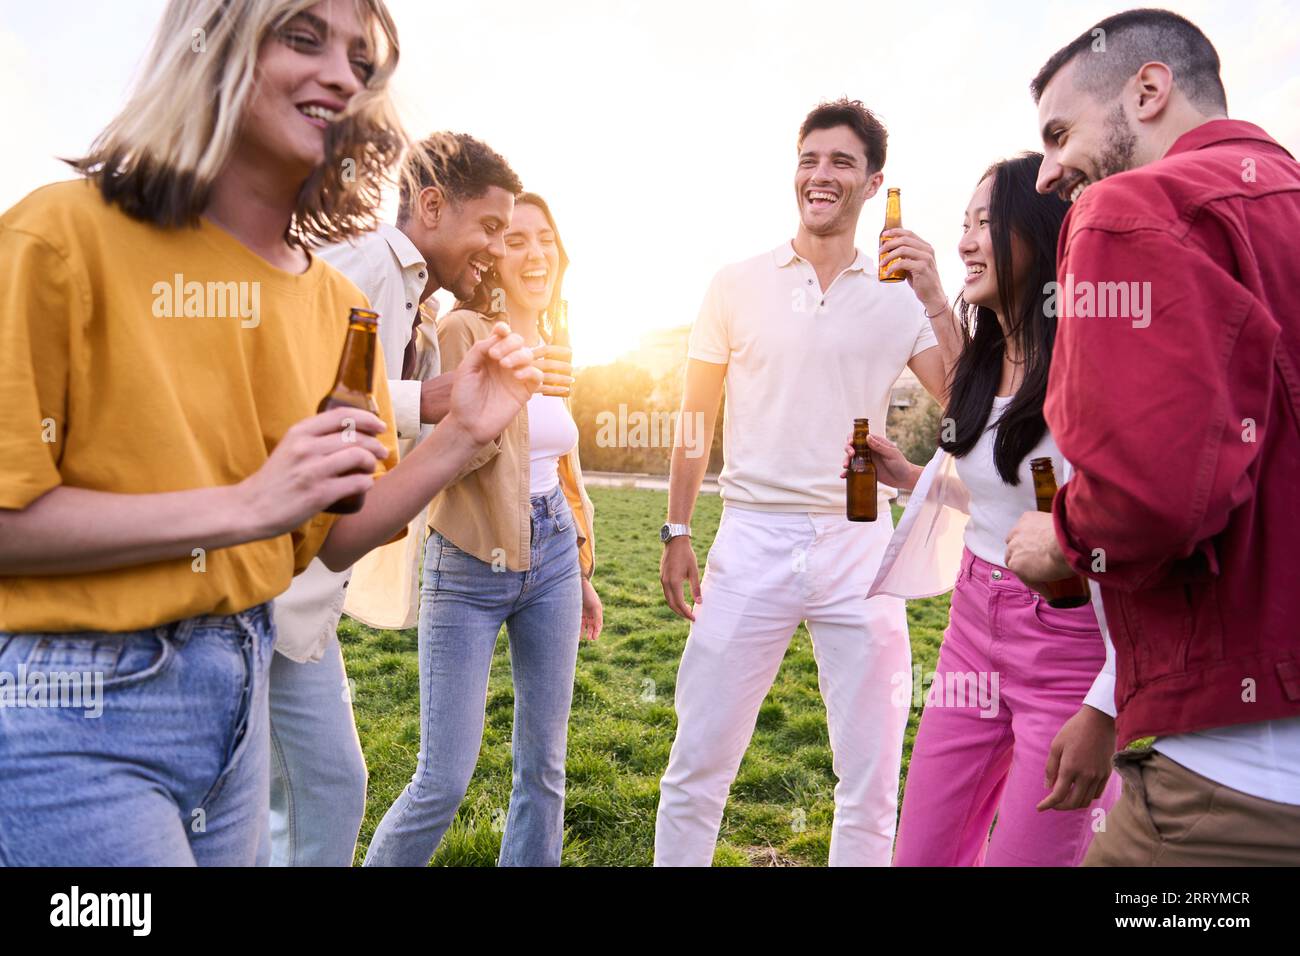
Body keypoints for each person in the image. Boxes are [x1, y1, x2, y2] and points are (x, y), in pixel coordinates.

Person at [0, 0, 540, 867]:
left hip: (240, 692)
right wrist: (242, 504)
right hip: (77, 708)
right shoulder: (59, 238)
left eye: (362, 60)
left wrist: (458, 437)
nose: (341, 73)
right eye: (302, 37)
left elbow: (326, 541)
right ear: (207, 47)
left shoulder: (339, 307)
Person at [1005, 8, 1300, 865]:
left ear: (1147, 89)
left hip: (1228, 786)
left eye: (1059, 135)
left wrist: (1058, 541)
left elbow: (1152, 498)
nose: (1051, 172)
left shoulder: (1130, 208)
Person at [654, 99, 947, 867]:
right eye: (810, 159)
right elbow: (695, 418)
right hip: (750, 537)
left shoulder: (900, 294)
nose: (821, 175)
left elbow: (969, 400)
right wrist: (677, 529)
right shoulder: (735, 283)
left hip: (860, 546)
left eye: (842, 162)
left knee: (873, 778)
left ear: (874, 183)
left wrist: (938, 296)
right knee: (697, 766)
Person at [266, 132, 537, 866]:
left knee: (323, 787)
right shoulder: (368, 268)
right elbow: (294, 398)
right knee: (302, 794)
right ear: (430, 204)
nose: (495, 249)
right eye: (488, 227)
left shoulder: (414, 298)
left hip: (305, 589)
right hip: (261, 585)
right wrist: (436, 397)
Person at [853, 153, 1120, 866]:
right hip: (973, 631)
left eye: (986, 224)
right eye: (963, 224)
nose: (966, 240)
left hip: (1069, 651)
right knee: (922, 856)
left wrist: (1105, 707)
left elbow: (1140, 547)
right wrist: (914, 476)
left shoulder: (1095, 373)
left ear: (1041, 235)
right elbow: (997, 475)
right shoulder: (990, 358)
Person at [365, 192, 601, 867]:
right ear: (495, 258)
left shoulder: (555, 347)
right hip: (468, 564)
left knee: (545, 767)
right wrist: (503, 403)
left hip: (551, 553)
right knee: (441, 779)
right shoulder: (464, 332)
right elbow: (439, 454)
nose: (534, 254)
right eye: (516, 240)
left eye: (544, 240)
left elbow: (561, 467)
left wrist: (580, 570)